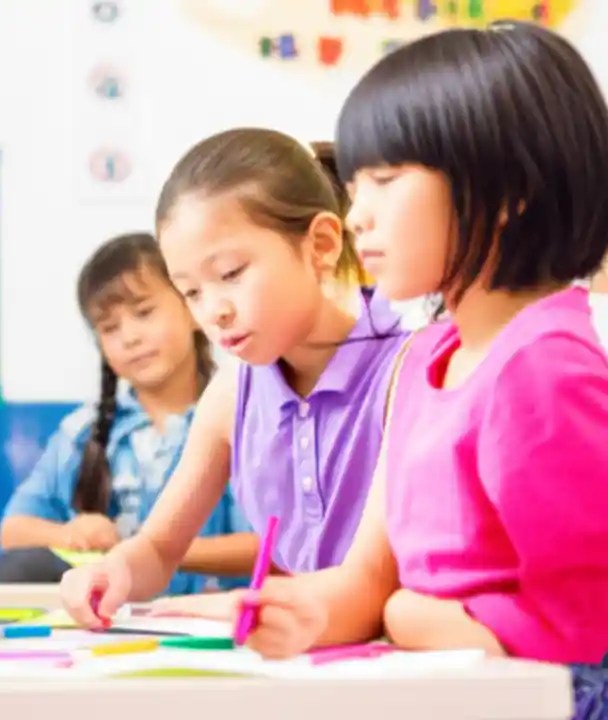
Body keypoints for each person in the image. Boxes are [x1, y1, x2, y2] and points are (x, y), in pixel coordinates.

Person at [200, 22, 608, 719]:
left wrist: (409, 615)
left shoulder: (544, 368)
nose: (356, 215)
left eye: (385, 182)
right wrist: (300, 614)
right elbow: (367, 578)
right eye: (354, 186)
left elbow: (584, 626)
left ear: (509, 189)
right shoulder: (421, 359)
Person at [59, 129, 408, 625]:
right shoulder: (231, 394)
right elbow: (158, 548)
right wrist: (112, 571)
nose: (214, 311)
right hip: (301, 643)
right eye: (191, 292)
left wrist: (242, 607)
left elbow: (373, 584)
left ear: (321, 245)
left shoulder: (407, 369)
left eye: (230, 274)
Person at [0, 232, 254, 592]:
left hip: (209, 614)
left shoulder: (243, 416)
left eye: (144, 313)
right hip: (111, 614)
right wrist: (72, 534)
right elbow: (14, 530)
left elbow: (269, 547)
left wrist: (151, 550)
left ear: (192, 307)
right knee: (14, 571)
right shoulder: (83, 431)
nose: (129, 337)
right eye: (109, 328)